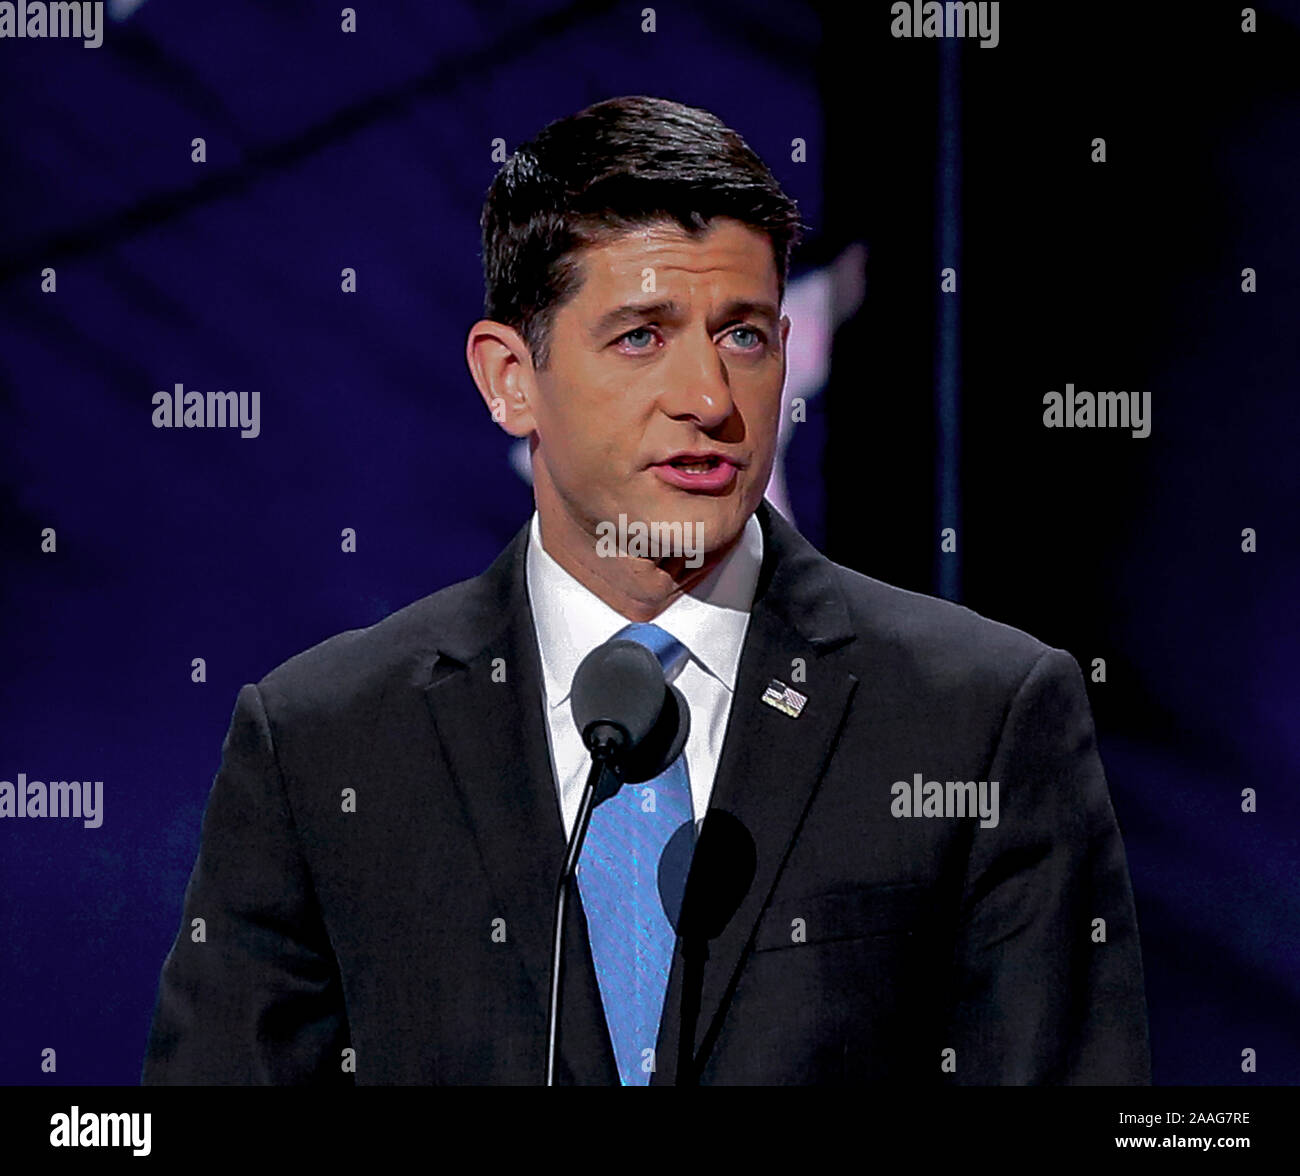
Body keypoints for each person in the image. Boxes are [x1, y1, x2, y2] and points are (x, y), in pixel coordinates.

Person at [142, 95, 1150, 1086]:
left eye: (744, 336)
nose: (709, 399)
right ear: (508, 378)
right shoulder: (324, 745)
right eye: (640, 336)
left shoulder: (978, 716)